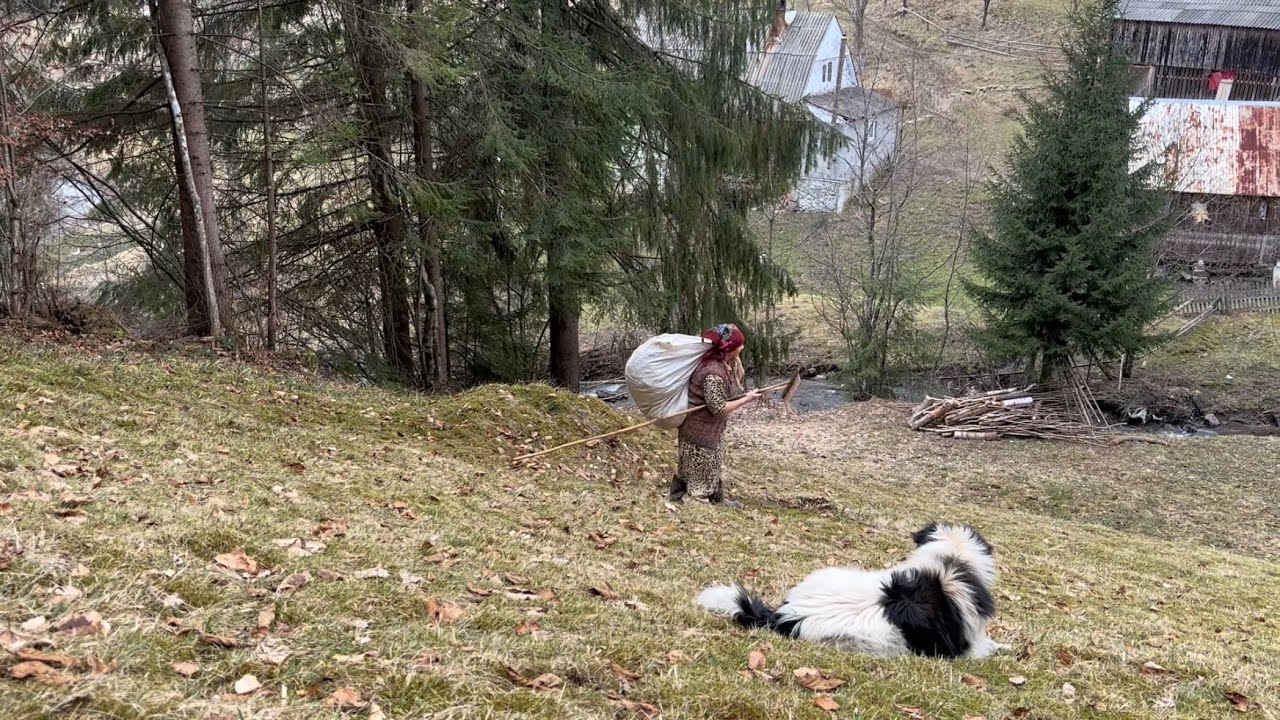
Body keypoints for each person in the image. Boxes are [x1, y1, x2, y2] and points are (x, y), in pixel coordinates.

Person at [668, 323, 763, 508]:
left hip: (709, 431)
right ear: (729, 348)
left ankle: (714, 498)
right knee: (700, 466)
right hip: (699, 432)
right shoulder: (712, 373)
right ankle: (696, 501)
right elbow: (718, 408)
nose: (743, 347)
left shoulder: (722, 365)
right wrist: (747, 399)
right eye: (740, 345)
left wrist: (736, 365)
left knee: (711, 466)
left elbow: (731, 392)